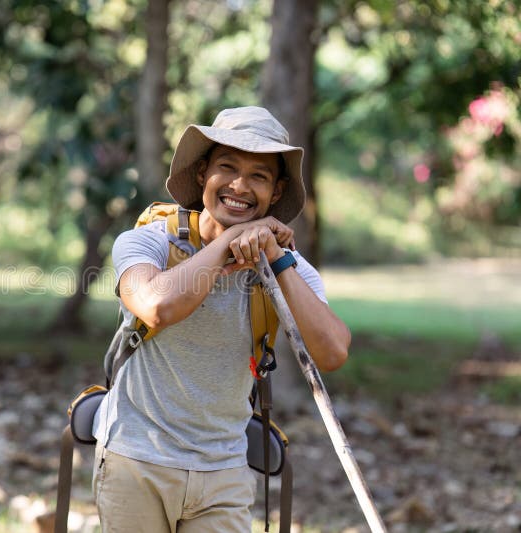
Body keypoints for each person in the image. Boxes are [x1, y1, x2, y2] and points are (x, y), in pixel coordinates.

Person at [91, 106, 351, 532]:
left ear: (275, 191)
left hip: (224, 471)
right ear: (201, 175)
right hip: (135, 458)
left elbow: (333, 352)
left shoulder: (286, 266)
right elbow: (159, 306)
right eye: (226, 167)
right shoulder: (146, 241)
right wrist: (230, 239)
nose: (240, 186)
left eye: (259, 176)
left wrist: (275, 258)